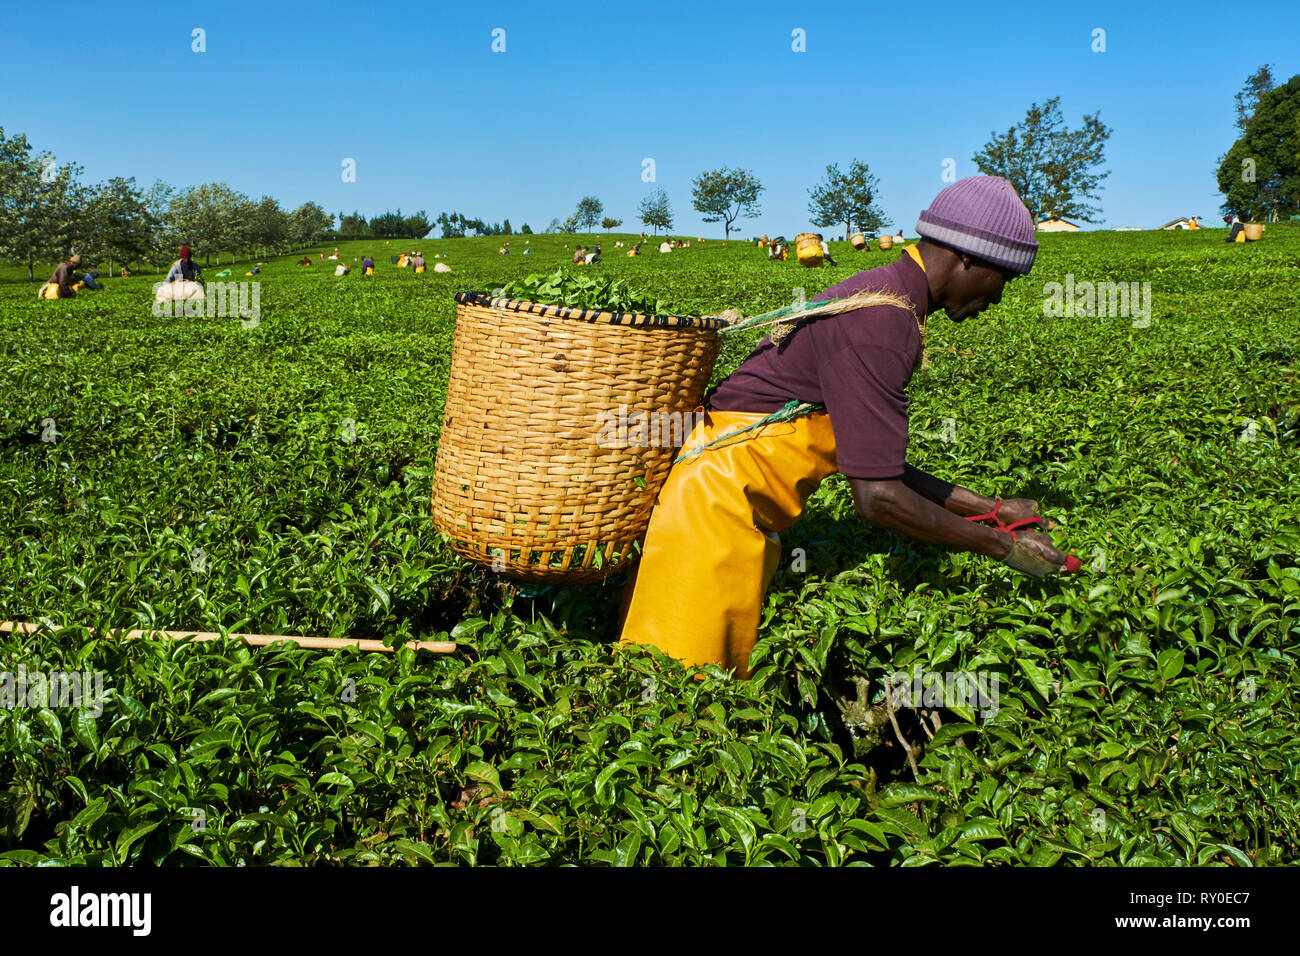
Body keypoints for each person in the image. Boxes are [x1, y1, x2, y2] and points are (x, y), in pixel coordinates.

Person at [618, 176, 1071, 678]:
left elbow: (878, 461)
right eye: (1002, 279)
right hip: (711, 511)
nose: (999, 298)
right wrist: (1003, 547)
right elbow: (877, 495)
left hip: (726, 500)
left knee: (707, 687)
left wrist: (993, 510)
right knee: (680, 689)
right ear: (968, 258)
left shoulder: (885, 295)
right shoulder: (883, 324)